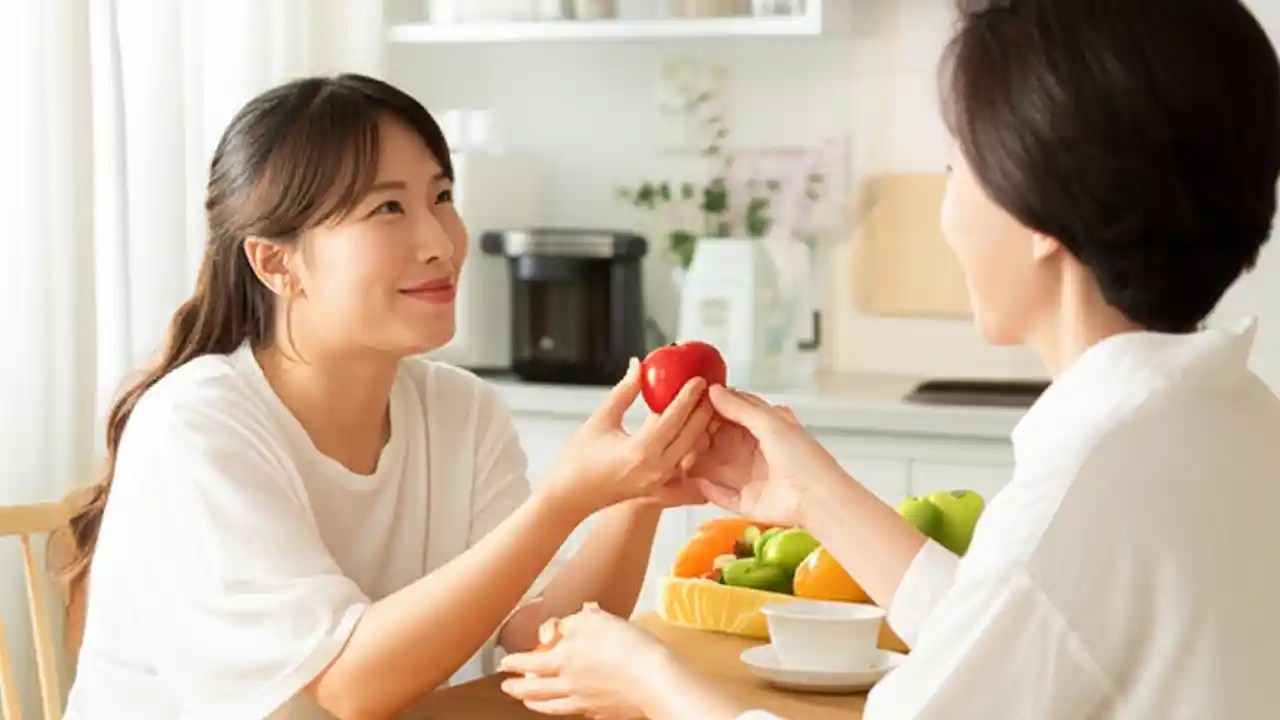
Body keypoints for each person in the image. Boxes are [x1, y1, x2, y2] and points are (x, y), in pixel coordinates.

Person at [499, 0, 1280, 717]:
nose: (946, 216)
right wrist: (815, 498)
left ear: (1043, 206)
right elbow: (1013, 639)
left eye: (956, 170)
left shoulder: (1090, 478)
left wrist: (652, 680)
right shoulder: (1230, 416)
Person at [62, 74, 714, 719]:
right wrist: (561, 502)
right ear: (276, 263)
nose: (440, 242)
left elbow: (540, 642)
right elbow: (350, 687)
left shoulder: (458, 411)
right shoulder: (198, 424)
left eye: (442, 196)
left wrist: (635, 495)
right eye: (388, 209)